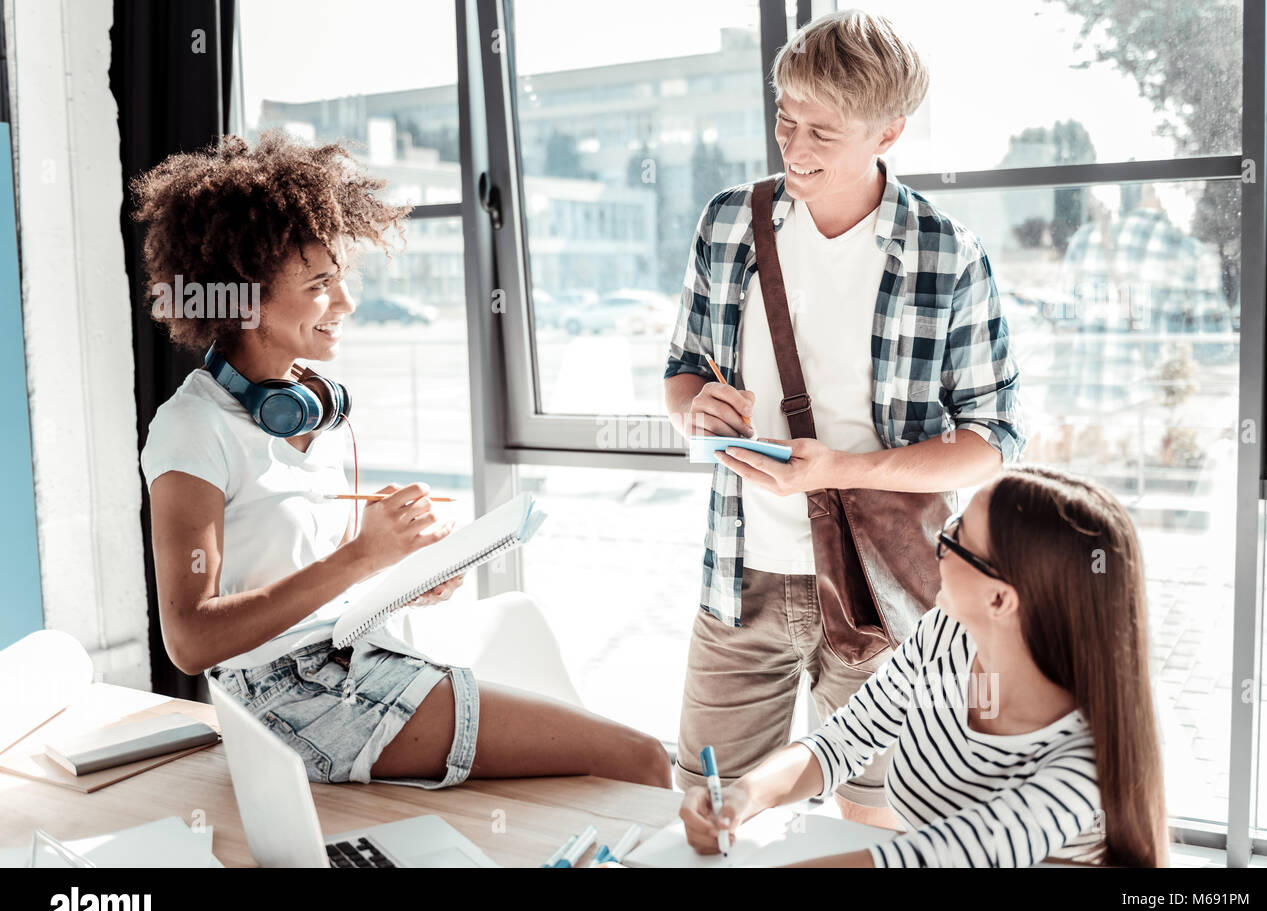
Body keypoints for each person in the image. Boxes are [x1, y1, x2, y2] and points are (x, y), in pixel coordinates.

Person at [135, 130, 671, 793]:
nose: (348, 305)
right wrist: (358, 558)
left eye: (343, 279)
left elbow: (306, 585)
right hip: (288, 696)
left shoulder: (309, 408)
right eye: (320, 284)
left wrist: (397, 571)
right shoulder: (191, 429)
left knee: (614, 758)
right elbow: (189, 638)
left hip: (350, 658)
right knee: (642, 759)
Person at [663, 10, 1024, 826]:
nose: (794, 147)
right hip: (739, 584)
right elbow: (682, 371)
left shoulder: (947, 253)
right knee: (704, 812)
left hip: (889, 599)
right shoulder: (729, 224)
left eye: (823, 129)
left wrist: (838, 471)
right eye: (785, 118)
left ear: (889, 131)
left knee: (880, 823)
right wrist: (696, 409)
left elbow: (992, 442)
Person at [679, 465, 1169, 867]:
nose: (937, 539)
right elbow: (843, 741)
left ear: (1000, 599)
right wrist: (745, 798)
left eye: (955, 539)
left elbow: (926, 860)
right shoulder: (945, 636)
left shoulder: (1082, 771)